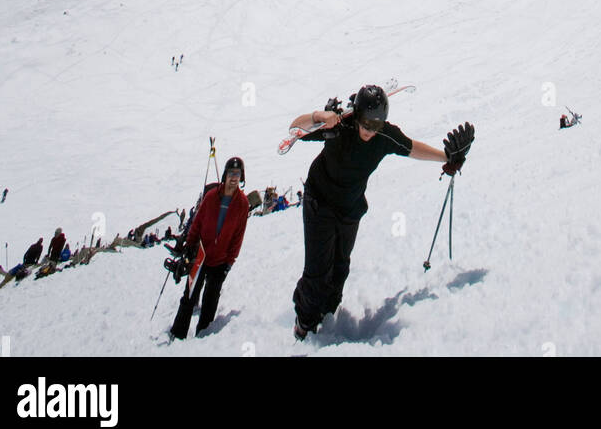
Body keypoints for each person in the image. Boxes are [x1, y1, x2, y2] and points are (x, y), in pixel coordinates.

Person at [291, 85, 474, 340]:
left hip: (350, 208)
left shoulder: (384, 136)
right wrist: (320, 117)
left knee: (340, 268)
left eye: (376, 125)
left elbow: (412, 148)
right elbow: (295, 129)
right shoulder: (338, 127)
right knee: (318, 271)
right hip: (319, 202)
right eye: (365, 122)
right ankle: (305, 325)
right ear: (356, 115)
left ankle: (327, 319)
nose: (369, 130)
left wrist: (446, 158)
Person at [170, 156, 248, 340]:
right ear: (225, 175)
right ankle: (177, 333)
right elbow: (197, 223)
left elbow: (239, 235)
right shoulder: (211, 196)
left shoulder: (242, 204)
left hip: (220, 260)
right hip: (200, 255)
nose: (234, 178)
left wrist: (229, 262)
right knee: (189, 296)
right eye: (231, 173)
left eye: (237, 174)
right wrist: (190, 245)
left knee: (210, 302)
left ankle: (202, 337)